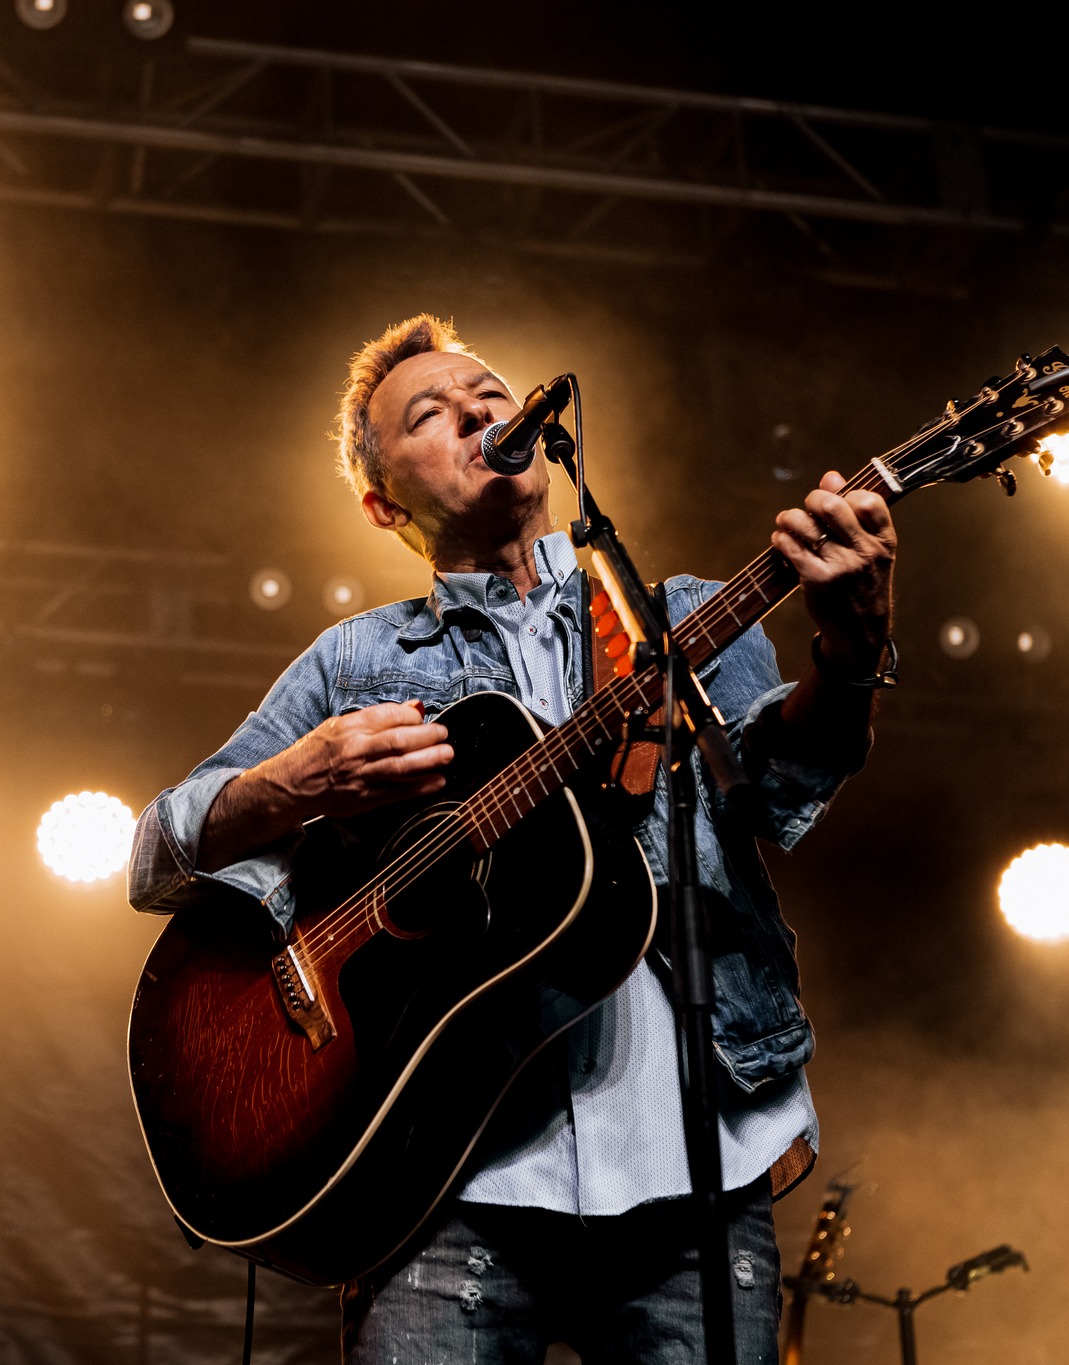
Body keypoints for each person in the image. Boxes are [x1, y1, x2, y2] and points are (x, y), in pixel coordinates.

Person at [127, 315, 896, 1365]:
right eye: (428, 415)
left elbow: (783, 785)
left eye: (489, 392)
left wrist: (851, 651)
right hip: (445, 1183)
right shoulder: (351, 660)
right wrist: (286, 782)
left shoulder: (670, 620)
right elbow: (155, 855)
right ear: (380, 500)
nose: (479, 412)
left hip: (696, 1169)